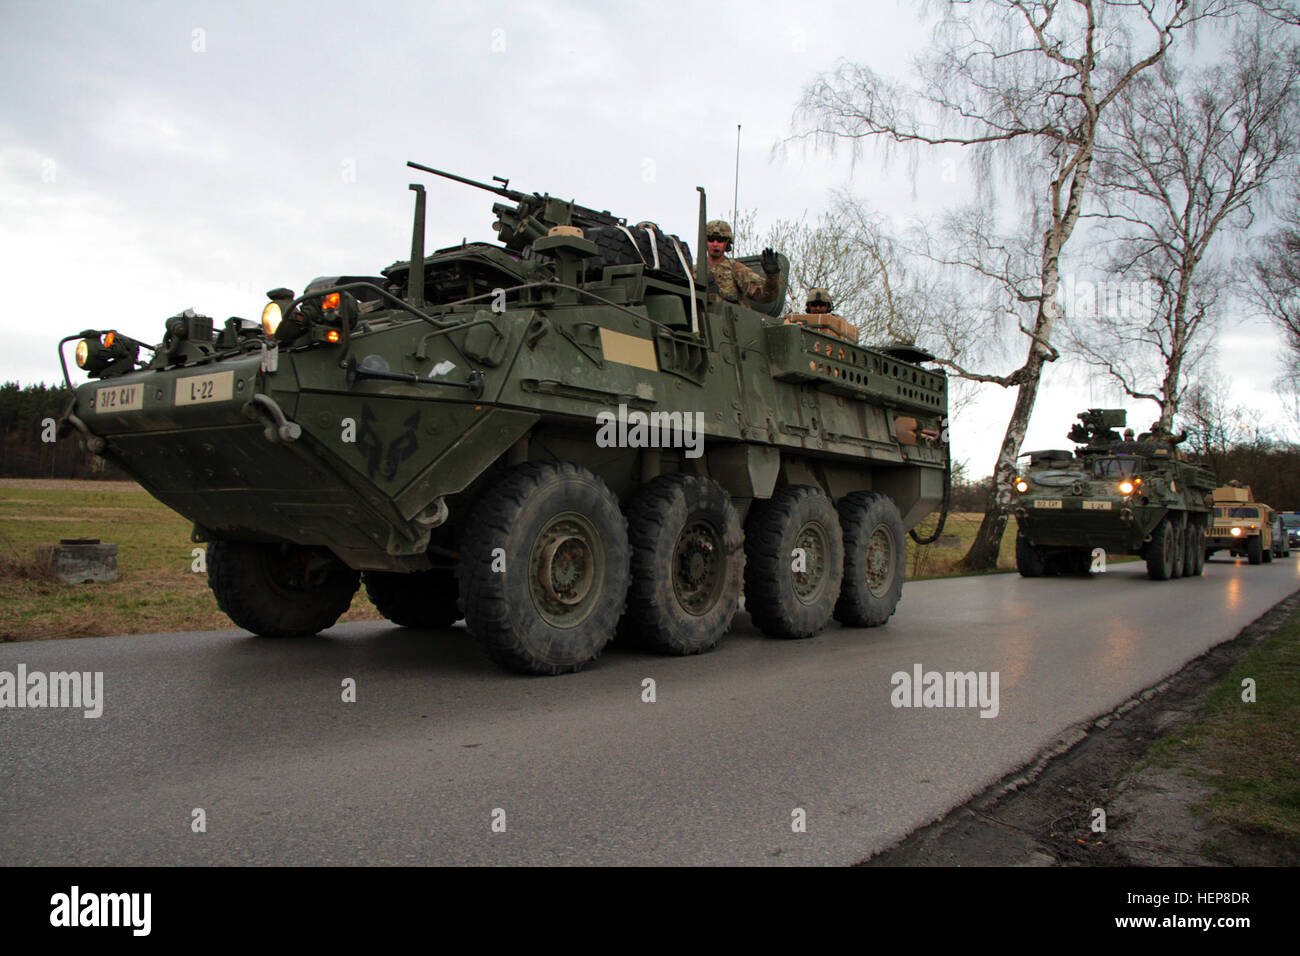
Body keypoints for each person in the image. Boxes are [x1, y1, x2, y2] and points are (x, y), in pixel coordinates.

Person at [705, 220, 779, 304]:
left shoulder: (735, 268)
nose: (715, 244)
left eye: (720, 240)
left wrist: (772, 276)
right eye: (711, 239)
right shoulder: (694, 272)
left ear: (727, 243)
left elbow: (764, 295)